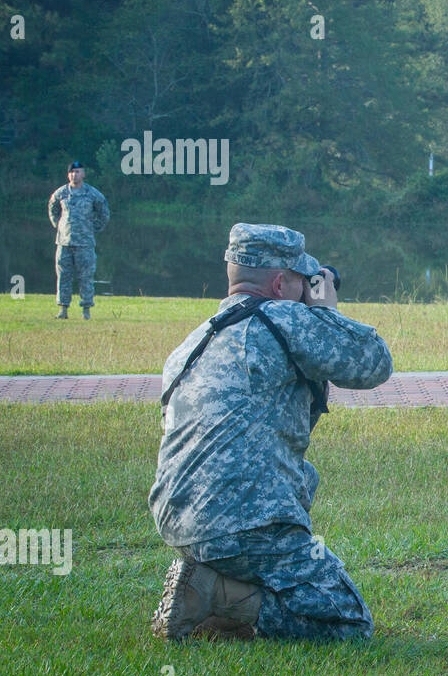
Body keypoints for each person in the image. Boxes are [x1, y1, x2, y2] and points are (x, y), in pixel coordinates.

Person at [149, 223, 393, 641]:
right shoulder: (285, 319)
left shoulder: (194, 340)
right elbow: (373, 361)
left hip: (180, 521)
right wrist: (324, 309)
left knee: (303, 475)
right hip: (244, 523)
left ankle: (212, 592)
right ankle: (221, 594)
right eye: (302, 279)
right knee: (348, 625)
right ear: (281, 283)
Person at [48, 161, 110, 320]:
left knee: (86, 277)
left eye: (78, 172)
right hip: (64, 243)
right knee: (63, 277)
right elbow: (52, 209)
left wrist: (92, 228)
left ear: (83, 174)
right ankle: (63, 310)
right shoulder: (61, 193)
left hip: (85, 244)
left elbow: (104, 213)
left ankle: (86, 311)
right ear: (68, 174)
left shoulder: (92, 194)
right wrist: (58, 225)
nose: (74, 175)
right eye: (72, 172)